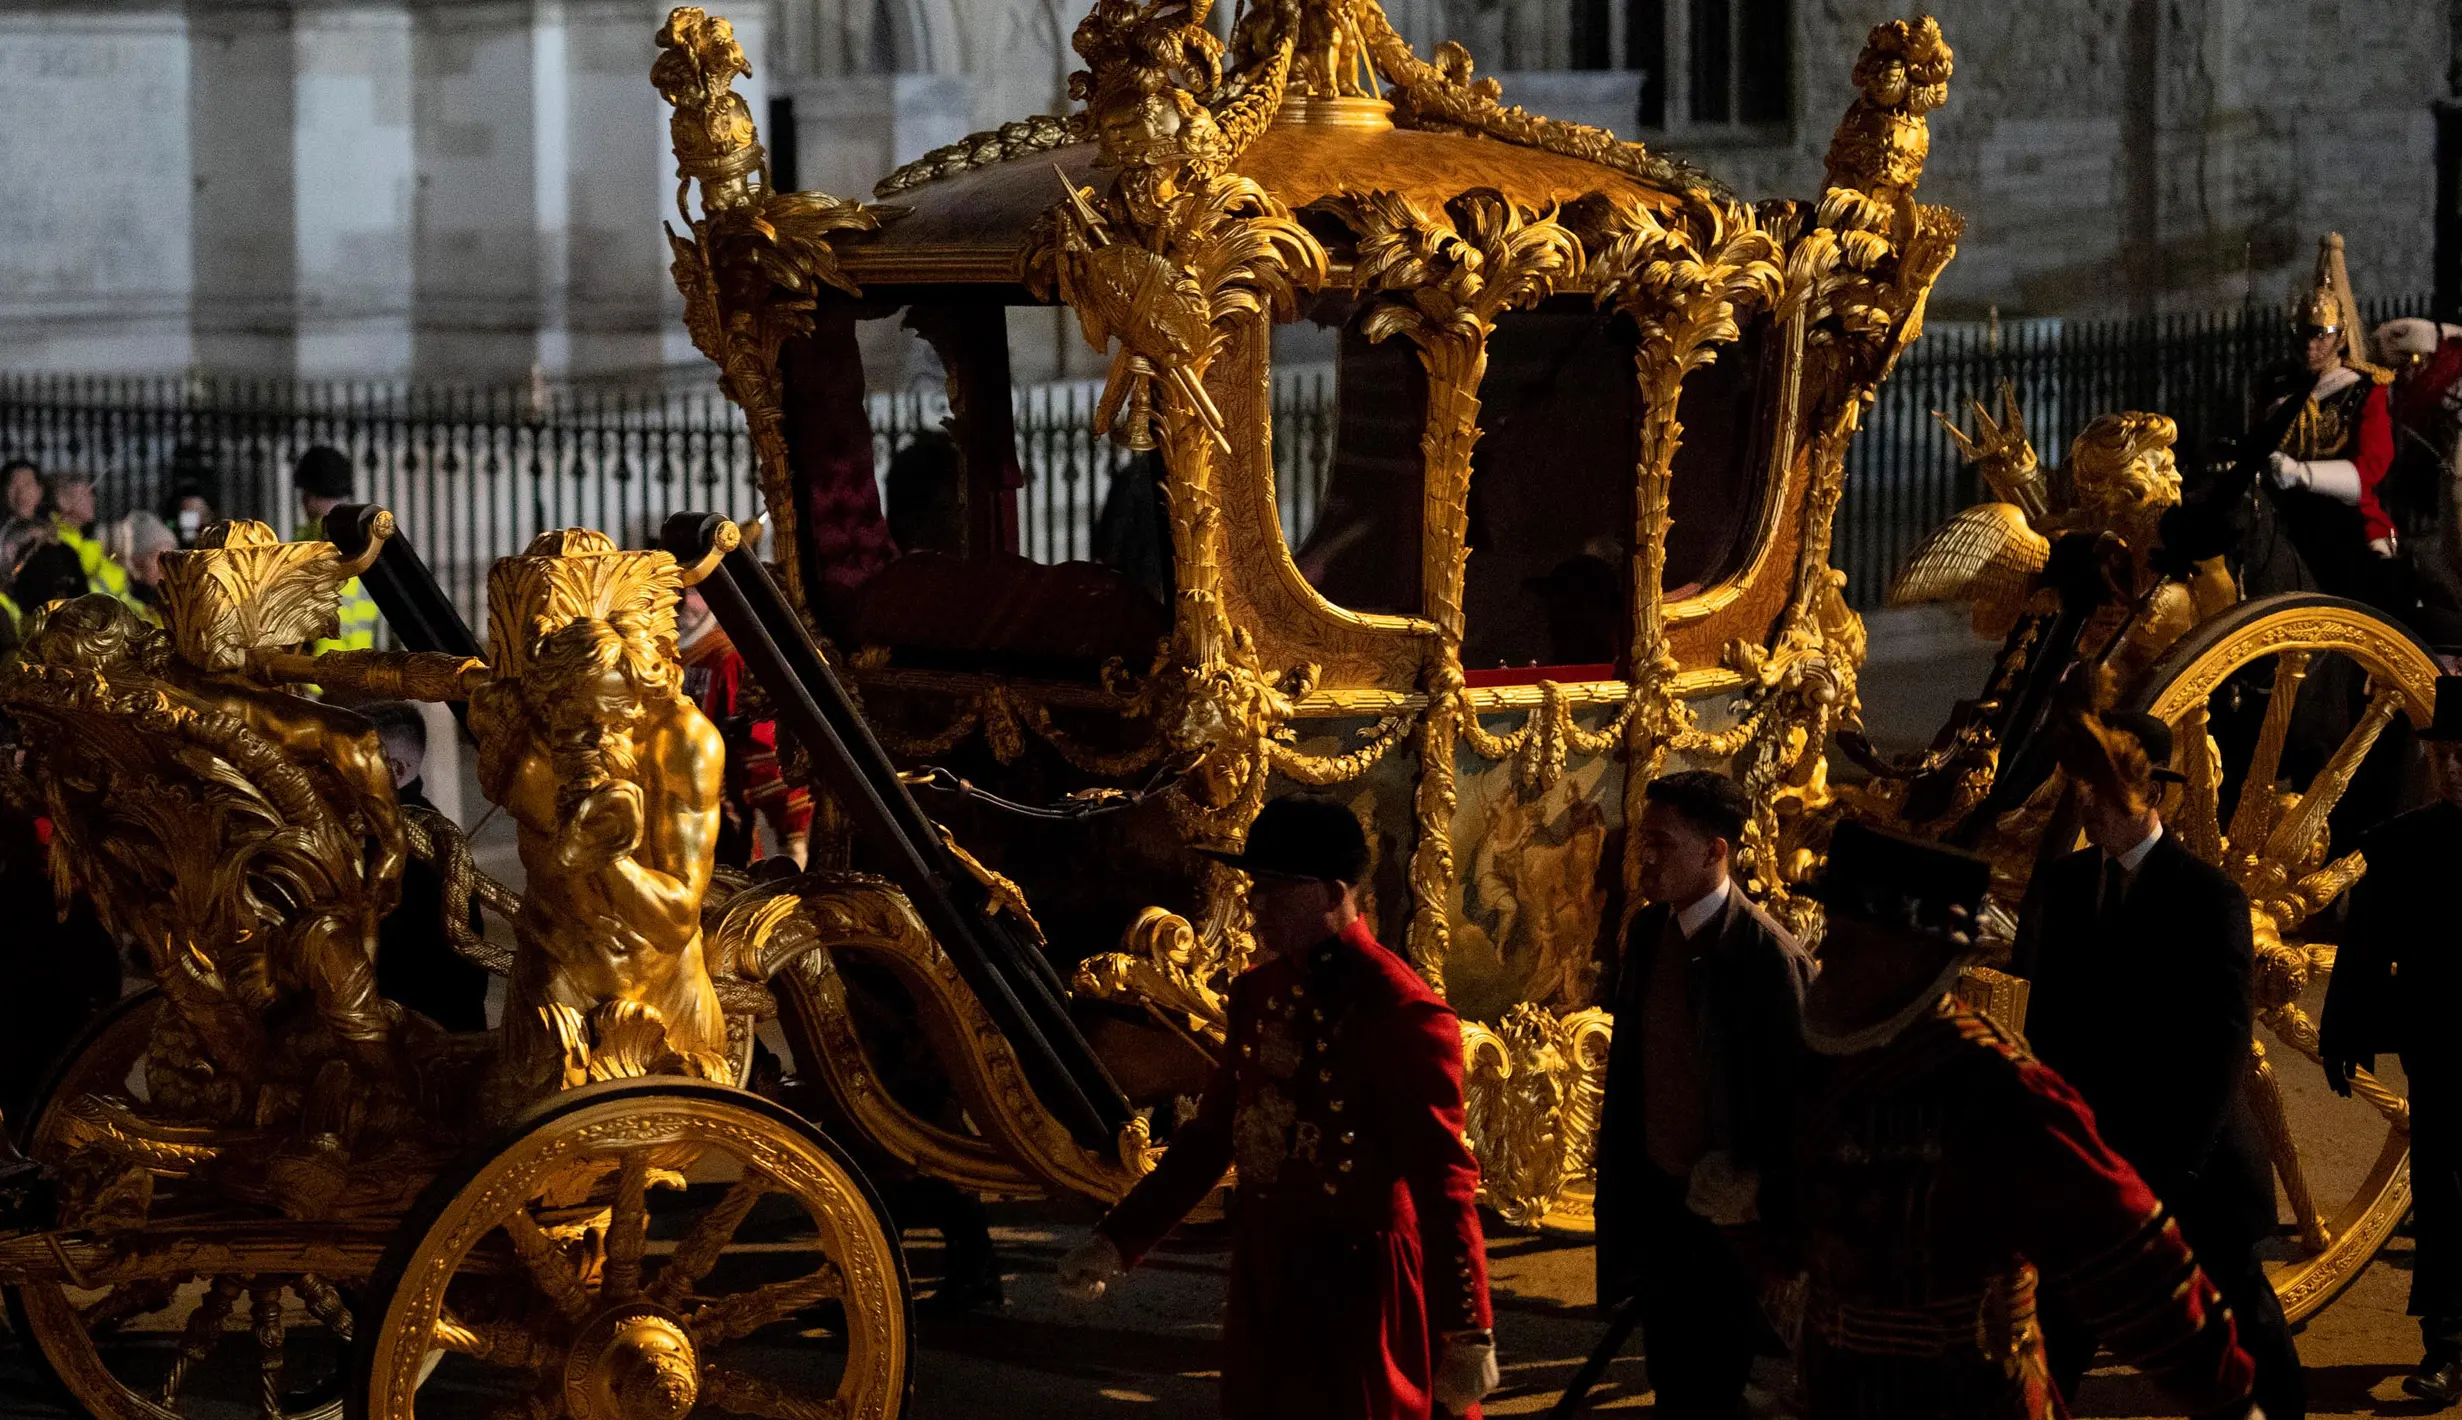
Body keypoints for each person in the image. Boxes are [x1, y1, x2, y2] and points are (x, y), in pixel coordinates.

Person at [1793, 820, 2259, 1420]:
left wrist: (2227, 1397)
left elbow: (2133, 1255)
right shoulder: (1832, 1062)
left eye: (1849, 940)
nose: (1827, 957)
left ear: (1915, 956)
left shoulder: (1998, 1089)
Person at [1057, 796, 1498, 1420]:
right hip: (1267, 1270)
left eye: (1274, 890)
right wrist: (1118, 1239)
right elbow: (1213, 1136)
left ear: (1333, 892)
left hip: (1358, 1286)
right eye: (1254, 886)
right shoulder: (1258, 994)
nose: (1255, 906)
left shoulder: (1402, 1012)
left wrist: (1468, 1327)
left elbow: (1443, 1179)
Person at [2018, 709, 2301, 1420]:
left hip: (2193, 1162)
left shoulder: (2210, 898)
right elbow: (2048, 1025)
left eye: (2107, 791)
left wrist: (2175, 1171)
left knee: (2240, 1315)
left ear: (2157, 799)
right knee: (2059, 1321)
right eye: (2082, 788)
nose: (2090, 806)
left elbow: (2222, 1045)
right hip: (2099, 1154)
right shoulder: (2067, 884)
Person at [1593, 769, 1810, 1416]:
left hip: (1728, 1218)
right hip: (1660, 1201)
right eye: (1642, 842)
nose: (1644, 858)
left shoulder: (1768, 959)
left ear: (1716, 851)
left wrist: (1758, 1189)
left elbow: (1802, 1100)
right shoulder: (1650, 934)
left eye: (1662, 843)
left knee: (1709, 1380)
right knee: (1670, 1370)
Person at [2321, 672, 2462, 1404]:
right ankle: (2447, 1344)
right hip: (2440, 1044)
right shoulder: (2403, 846)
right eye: (2444, 755)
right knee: (2442, 1196)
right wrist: (2343, 1030)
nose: (2455, 768)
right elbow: (2365, 947)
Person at [2259, 235, 2396, 603]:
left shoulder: (2365, 387)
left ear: (2339, 337)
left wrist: (2300, 474)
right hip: (2286, 517)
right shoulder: (2278, 387)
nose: (2310, 346)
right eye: (2304, 335)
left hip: (2344, 517)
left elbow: (2369, 471)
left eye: (2320, 336)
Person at [360, 701, 491, 1033]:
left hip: (421, 1041)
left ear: (398, 770)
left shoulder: (418, 850)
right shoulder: (372, 831)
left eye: (359, 759)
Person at [678, 583, 811, 868]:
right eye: (679, 591)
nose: (685, 602)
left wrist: (791, 829)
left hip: (722, 816)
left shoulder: (729, 656)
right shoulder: (664, 651)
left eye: (696, 592)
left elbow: (761, 743)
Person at [292, 446, 380, 656]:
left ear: (308, 495)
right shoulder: (368, 532)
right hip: (359, 664)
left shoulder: (309, 542)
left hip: (316, 669)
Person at [45, 469, 137, 611]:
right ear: (62, 501)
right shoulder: (57, 542)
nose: (92, 499)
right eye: (85, 494)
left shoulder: (83, 539)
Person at [103, 511, 179, 624]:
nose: (166, 567)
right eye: (157, 557)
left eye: (171, 559)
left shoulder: (172, 602)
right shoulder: (120, 604)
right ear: (136, 561)